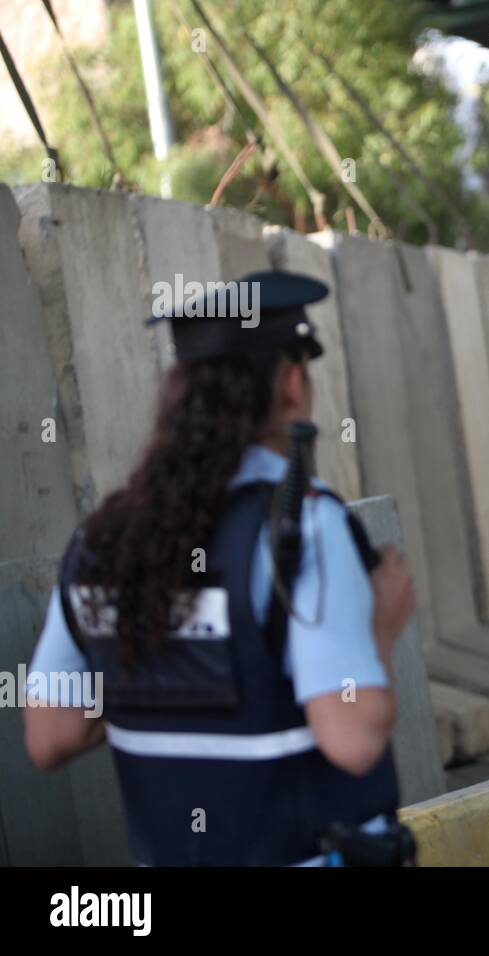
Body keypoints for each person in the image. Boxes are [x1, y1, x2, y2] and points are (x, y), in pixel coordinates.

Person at [23, 271, 416, 866]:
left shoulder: (99, 544)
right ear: (290, 384)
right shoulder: (305, 526)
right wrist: (380, 630)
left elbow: (51, 736)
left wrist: (156, 668)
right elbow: (354, 739)